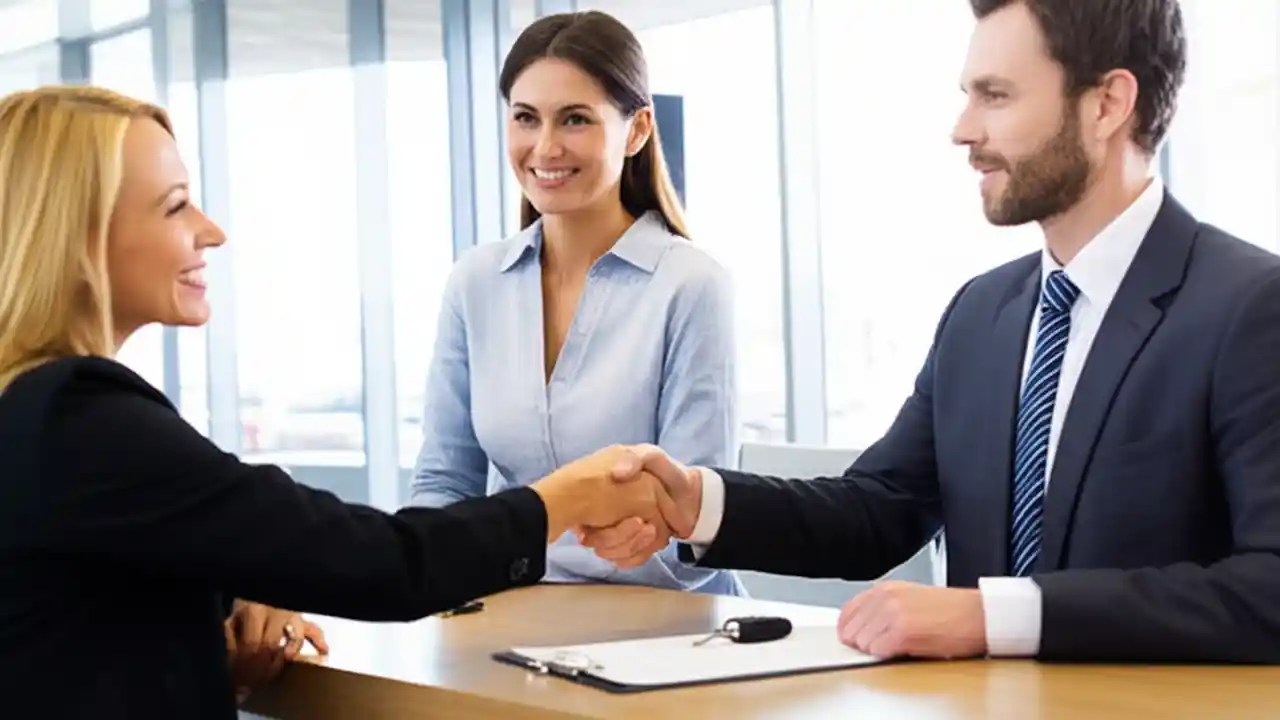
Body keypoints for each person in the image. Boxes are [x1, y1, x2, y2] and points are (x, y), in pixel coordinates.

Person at [585, 0, 1280, 663]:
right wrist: (696, 503)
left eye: (996, 96)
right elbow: (878, 510)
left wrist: (995, 616)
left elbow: (1269, 588)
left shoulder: (1249, 307)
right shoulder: (982, 314)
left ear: (1107, 104)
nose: (963, 129)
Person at [0, 85, 676, 719]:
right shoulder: (78, 417)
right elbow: (382, 563)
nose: (211, 231)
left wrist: (234, 592)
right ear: (77, 232)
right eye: (176, 205)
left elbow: (92, 594)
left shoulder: (32, 413)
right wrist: (562, 499)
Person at [409, 11, 744, 596]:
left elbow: (696, 522)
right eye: (525, 118)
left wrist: (651, 535)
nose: (545, 147)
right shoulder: (476, 283)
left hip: (668, 629)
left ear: (636, 130)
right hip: (511, 615)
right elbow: (444, 482)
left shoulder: (691, 286)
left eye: (575, 119)